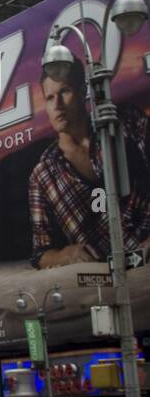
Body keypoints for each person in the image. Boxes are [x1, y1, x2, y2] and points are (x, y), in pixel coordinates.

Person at [29, 60, 150, 270]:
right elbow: (40, 254)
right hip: (105, 274)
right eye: (49, 97)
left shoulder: (124, 123)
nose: (57, 104)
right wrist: (68, 253)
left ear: (83, 90)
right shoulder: (43, 174)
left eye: (64, 92)